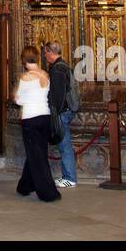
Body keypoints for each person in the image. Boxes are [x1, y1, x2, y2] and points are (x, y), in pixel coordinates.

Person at [14, 46, 61, 202]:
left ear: (24, 60)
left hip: (31, 118)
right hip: (45, 117)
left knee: (37, 156)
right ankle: (25, 186)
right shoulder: (45, 74)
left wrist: (18, 96)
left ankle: (48, 192)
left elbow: (18, 100)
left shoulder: (25, 77)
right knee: (38, 151)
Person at [44, 43, 77, 188]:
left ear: (51, 52)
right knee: (64, 144)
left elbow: (58, 94)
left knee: (65, 146)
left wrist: (54, 111)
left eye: (45, 53)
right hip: (66, 110)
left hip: (62, 112)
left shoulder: (58, 69)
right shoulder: (62, 65)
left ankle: (70, 177)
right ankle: (67, 176)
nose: (45, 56)